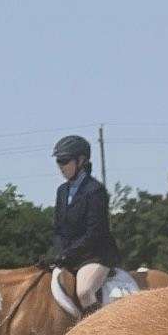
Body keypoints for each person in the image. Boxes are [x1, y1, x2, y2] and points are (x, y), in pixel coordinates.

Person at [45, 135, 121, 315]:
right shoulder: (62, 191)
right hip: (70, 256)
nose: (61, 166)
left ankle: (98, 330)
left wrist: (67, 254)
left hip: (96, 256)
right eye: (58, 161)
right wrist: (57, 254)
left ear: (81, 160)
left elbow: (95, 232)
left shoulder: (95, 190)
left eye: (64, 161)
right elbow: (58, 229)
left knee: (84, 292)